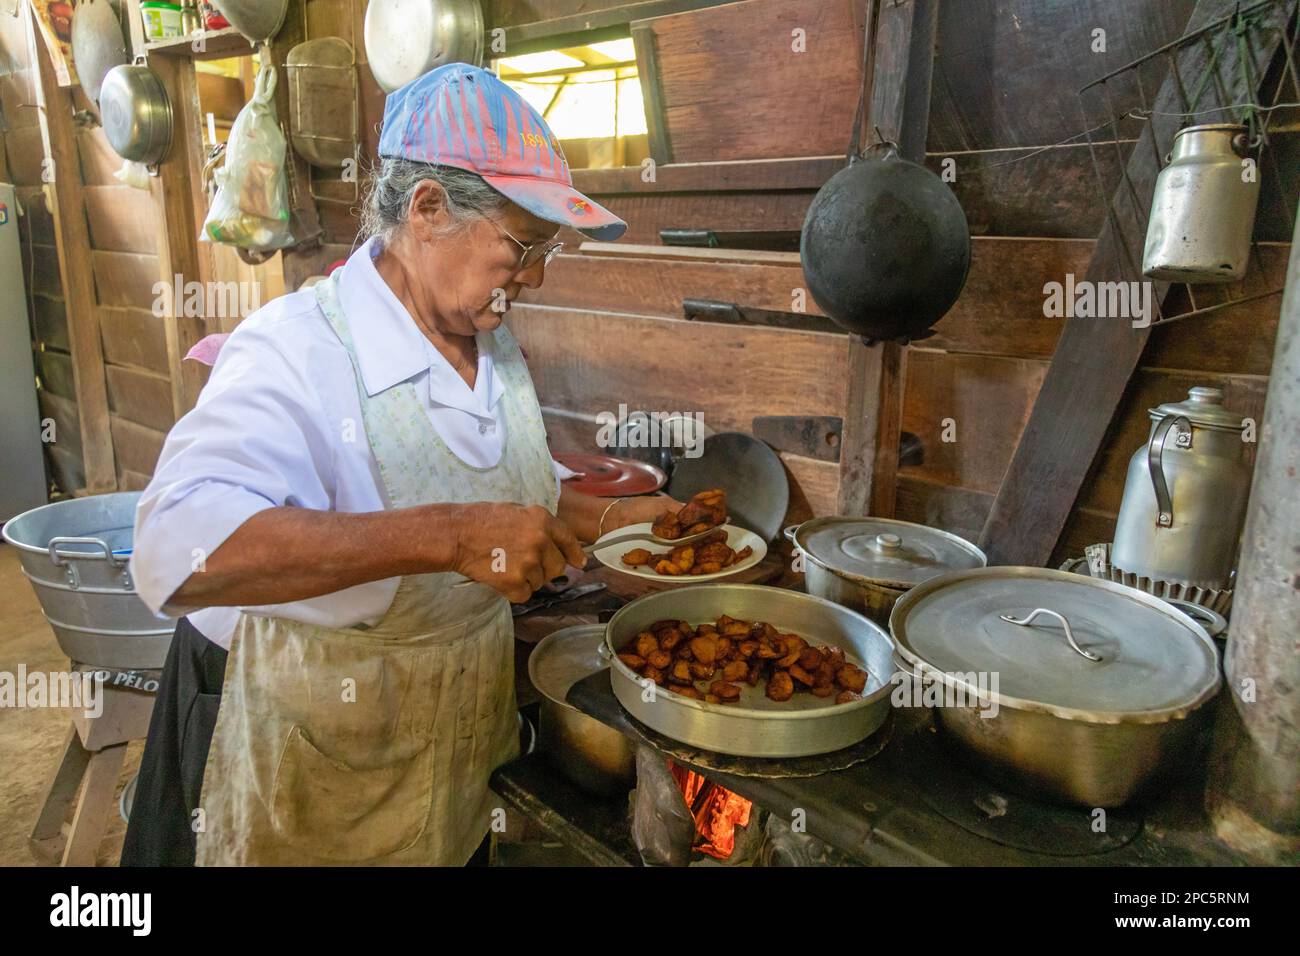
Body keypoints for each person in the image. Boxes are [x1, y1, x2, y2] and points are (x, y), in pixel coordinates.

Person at [121, 63, 675, 866]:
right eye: (523, 246)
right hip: (320, 767)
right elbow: (172, 551)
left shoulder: (489, 341)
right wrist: (451, 538)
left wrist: (623, 524)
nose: (538, 275)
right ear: (426, 211)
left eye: (549, 249)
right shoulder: (298, 349)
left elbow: (509, 486)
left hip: (454, 757)